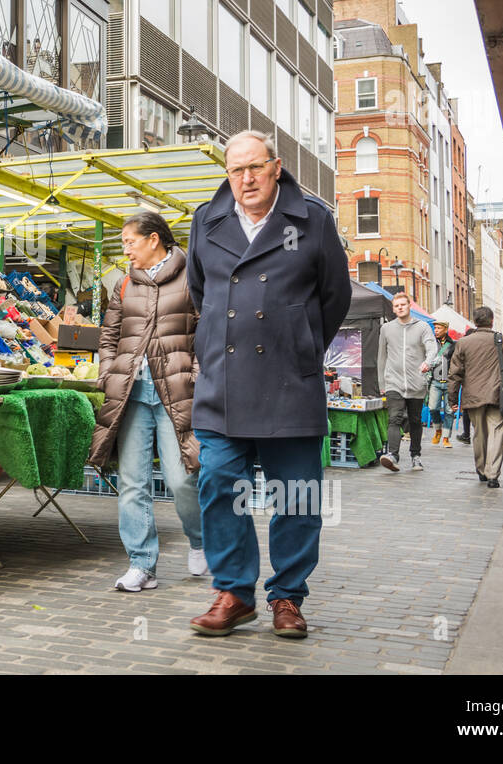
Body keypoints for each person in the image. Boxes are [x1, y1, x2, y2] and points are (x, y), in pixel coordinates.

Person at [185, 131, 351, 639]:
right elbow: (199, 291)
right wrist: (219, 342)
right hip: (223, 381)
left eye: (255, 167)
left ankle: (287, 597)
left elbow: (335, 296)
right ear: (227, 173)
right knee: (217, 483)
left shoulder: (313, 220)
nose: (246, 179)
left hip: (289, 381)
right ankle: (234, 591)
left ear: (277, 167)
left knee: (296, 495)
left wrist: (298, 342)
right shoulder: (205, 221)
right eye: (236, 170)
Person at [91, 212, 204, 592]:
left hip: (178, 393)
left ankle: (201, 539)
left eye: (129, 241)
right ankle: (142, 565)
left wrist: (197, 373)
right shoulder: (125, 284)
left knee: (182, 478)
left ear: (154, 239)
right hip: (132, 396)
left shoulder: (193, 276)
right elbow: (108, 334)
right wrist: (108, 371)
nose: (126, 249)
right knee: (132, 483)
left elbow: (208, 328)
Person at [447, 306, 503, 488]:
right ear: (492, 321)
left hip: (473, 396)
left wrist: (452, 399)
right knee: (497, 432)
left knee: (479, 433)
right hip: (499, 394)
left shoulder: (463, 343)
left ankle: (481, 469)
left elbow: (455, 374)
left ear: (475, 321)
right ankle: (493, 474)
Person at [377, 293, 438, 471]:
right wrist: (382, 384)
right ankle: (393, 455)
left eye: (403, 304)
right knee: (394, 418)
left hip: (416, 382)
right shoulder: (386, 329)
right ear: (393, 308)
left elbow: (432, 347)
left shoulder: (423, 327)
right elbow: (381, 357)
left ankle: (415, 456)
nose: (400, 308)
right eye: (397, 306)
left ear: (409, 306)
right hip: (393, 382)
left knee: (415, 420)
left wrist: (428, 362)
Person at [428, 321, 456, 447]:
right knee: (433, 408)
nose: (436, 330)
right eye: (435, 328)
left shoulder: (453, 345)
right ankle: (438, 430)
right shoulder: (431, 344)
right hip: (435, 381)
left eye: (439, 328)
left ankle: (446, 438)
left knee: (449, 411)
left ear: (445, 329)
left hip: (449, 382)